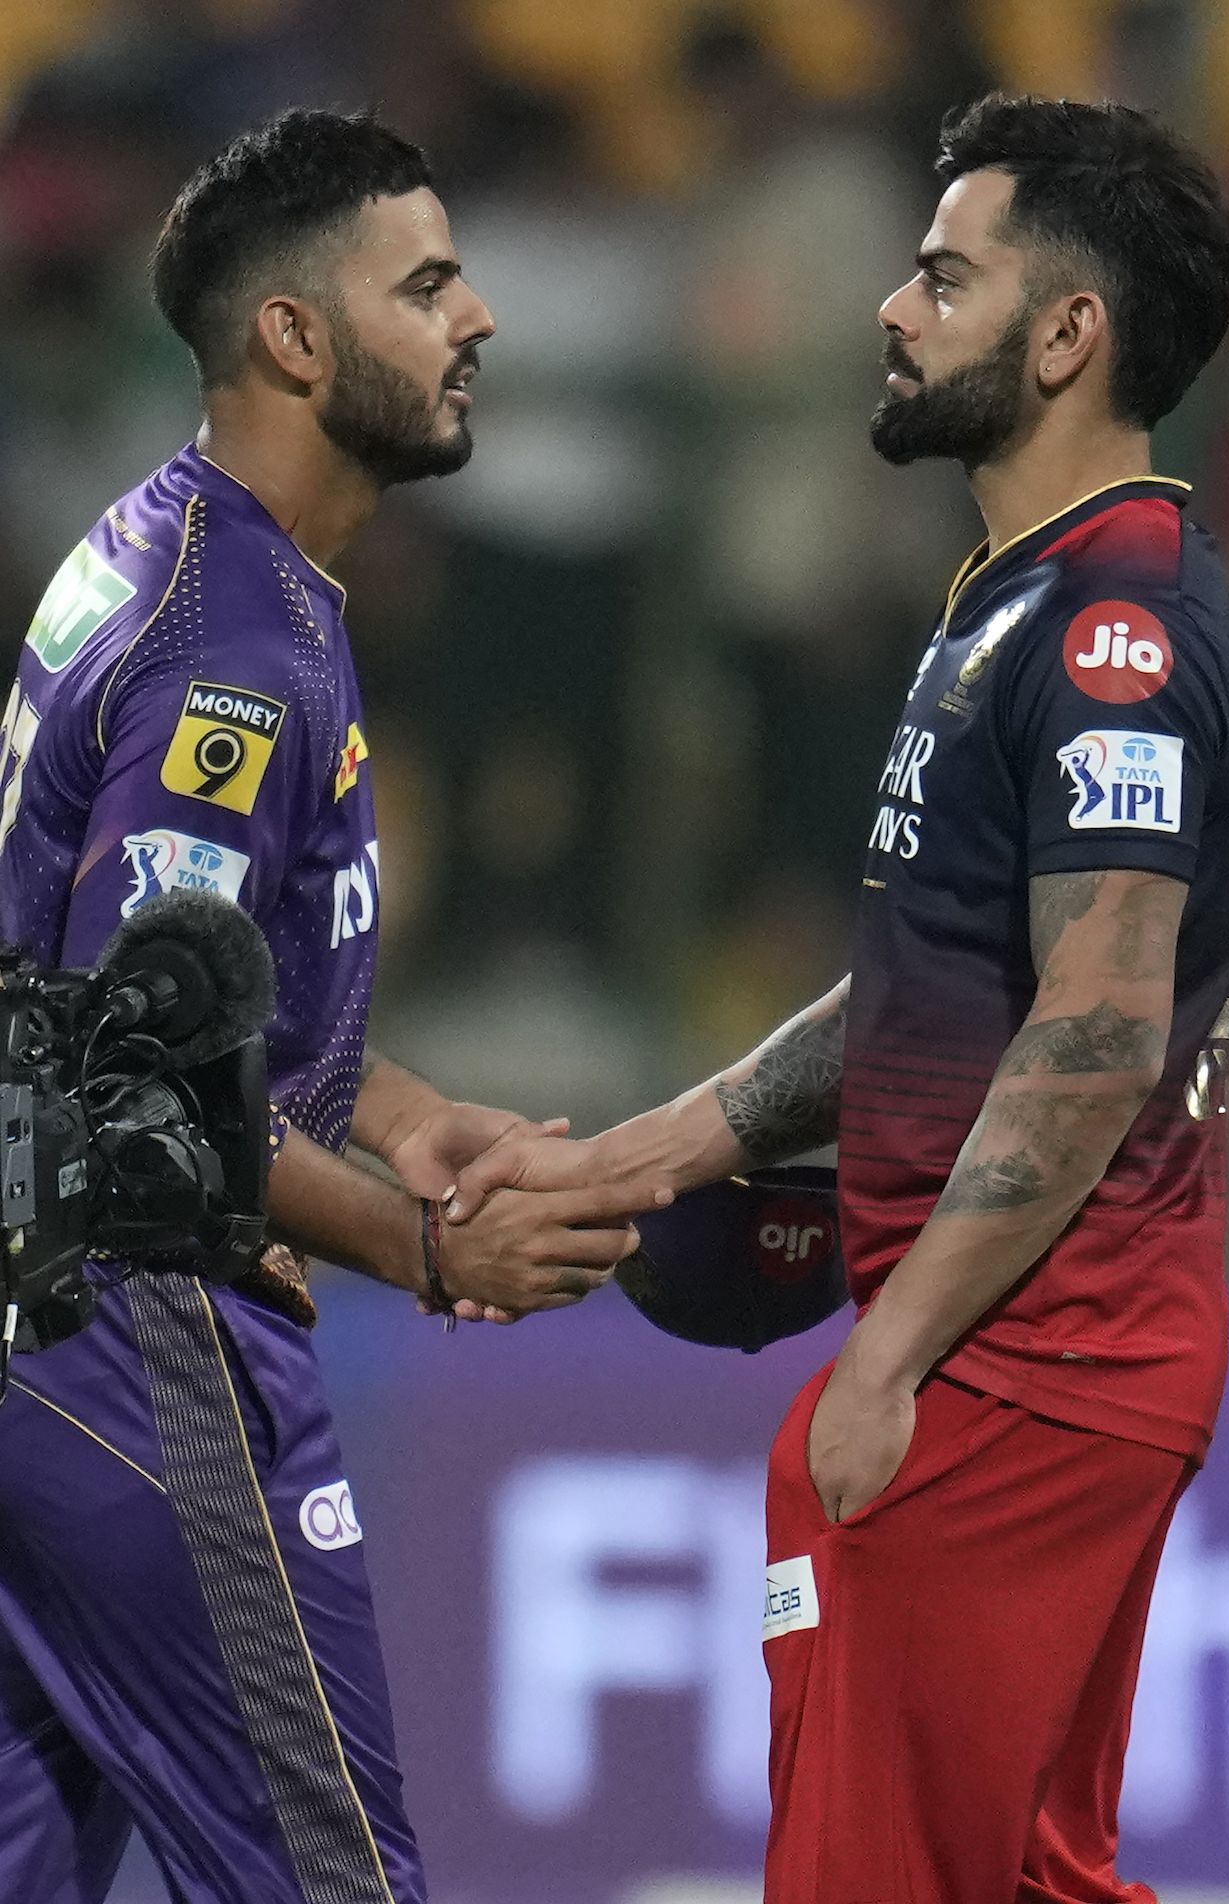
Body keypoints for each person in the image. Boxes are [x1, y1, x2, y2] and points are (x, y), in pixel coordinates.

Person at [453, 93, 1229, 1904]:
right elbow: (926, 987)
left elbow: (1103, 1019)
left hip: (1029, 1367)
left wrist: (883, 1364)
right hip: (1042, 1356)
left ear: (1068, 336)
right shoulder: (1012, 603)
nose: (893, 310)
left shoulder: (1112, 625)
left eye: (943, 276)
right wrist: (652, 1151)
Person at [0, 108, 661, 1904]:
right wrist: (422, 1248)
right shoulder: (235, 647)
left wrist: (390, 1105)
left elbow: (156, 976)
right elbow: (126, 1069)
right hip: (136, 1339)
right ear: (296, 337)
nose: (481, 319)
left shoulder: (174, 552)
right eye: (429, 283)